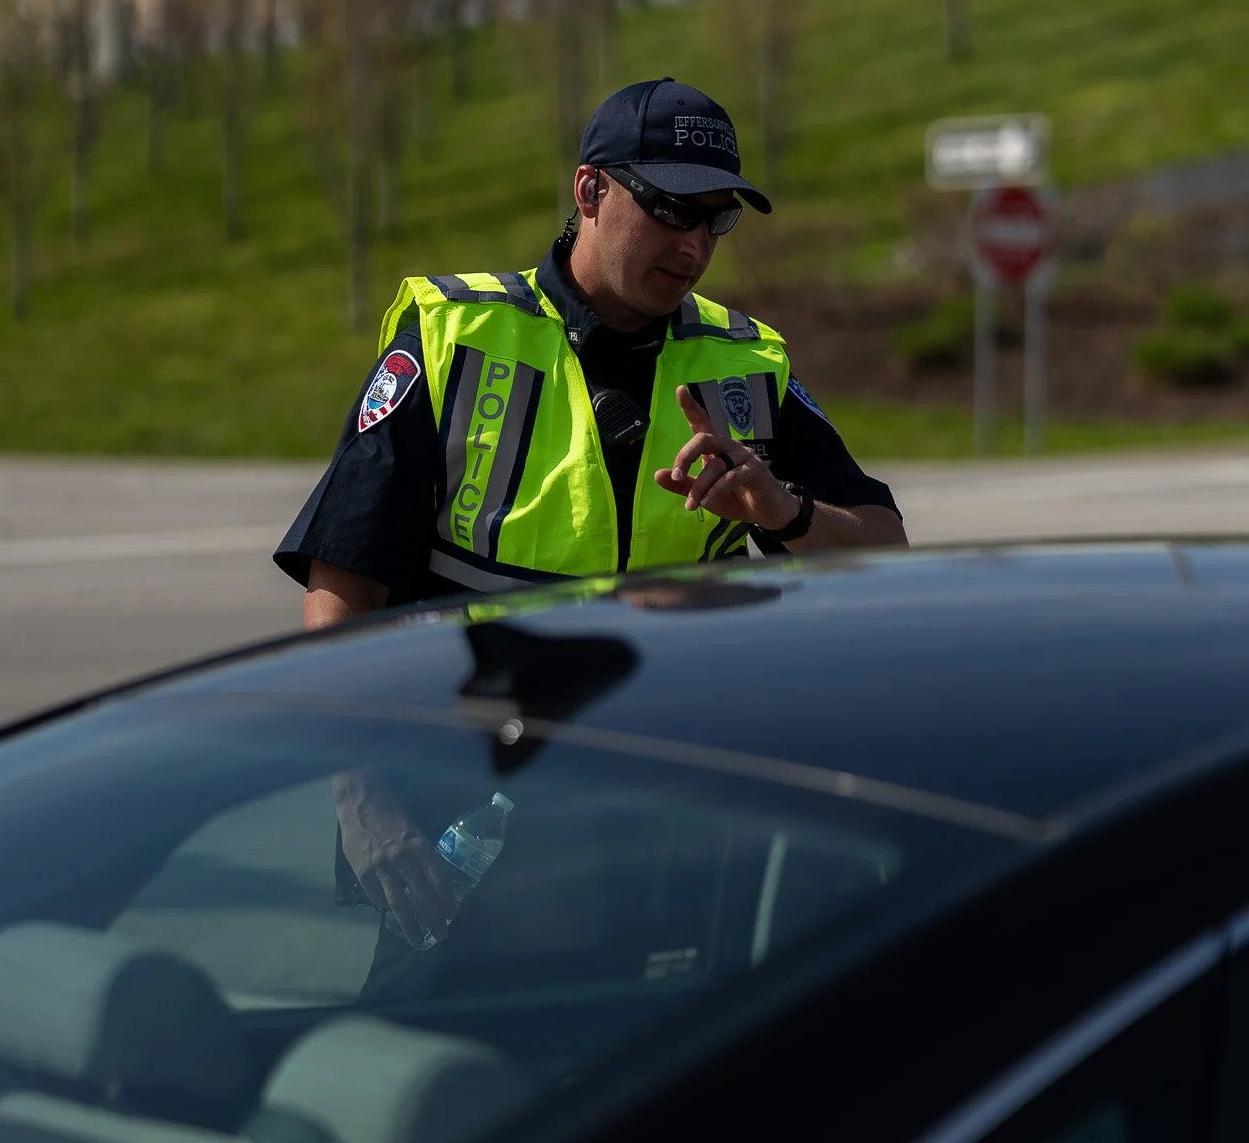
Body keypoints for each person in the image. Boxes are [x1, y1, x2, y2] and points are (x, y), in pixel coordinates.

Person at [274, 76, 906, 949]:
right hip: (467, 844)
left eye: (716, 220)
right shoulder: (455, 338)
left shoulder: (745, 365)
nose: (693, 246)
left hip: (675, 833)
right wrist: (361, 796)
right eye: (672, 209)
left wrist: (781, 509)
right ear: (590, 191)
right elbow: (345, 576)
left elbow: (885, 550)